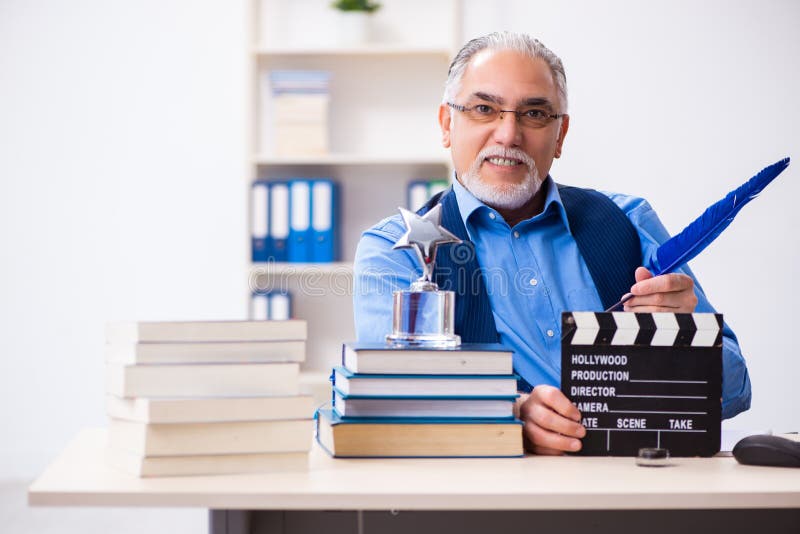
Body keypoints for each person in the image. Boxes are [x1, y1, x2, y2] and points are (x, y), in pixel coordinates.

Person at [352, 31, 751, 454]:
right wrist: (509, 411)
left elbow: (737, 388)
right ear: (447, 124)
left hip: (641, 490)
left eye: (535, 114)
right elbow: (393, 397)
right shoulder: (396, 252)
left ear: (559, 135)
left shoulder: (629, 222)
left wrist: (687, 337)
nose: (508, 134)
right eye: (484, 109)